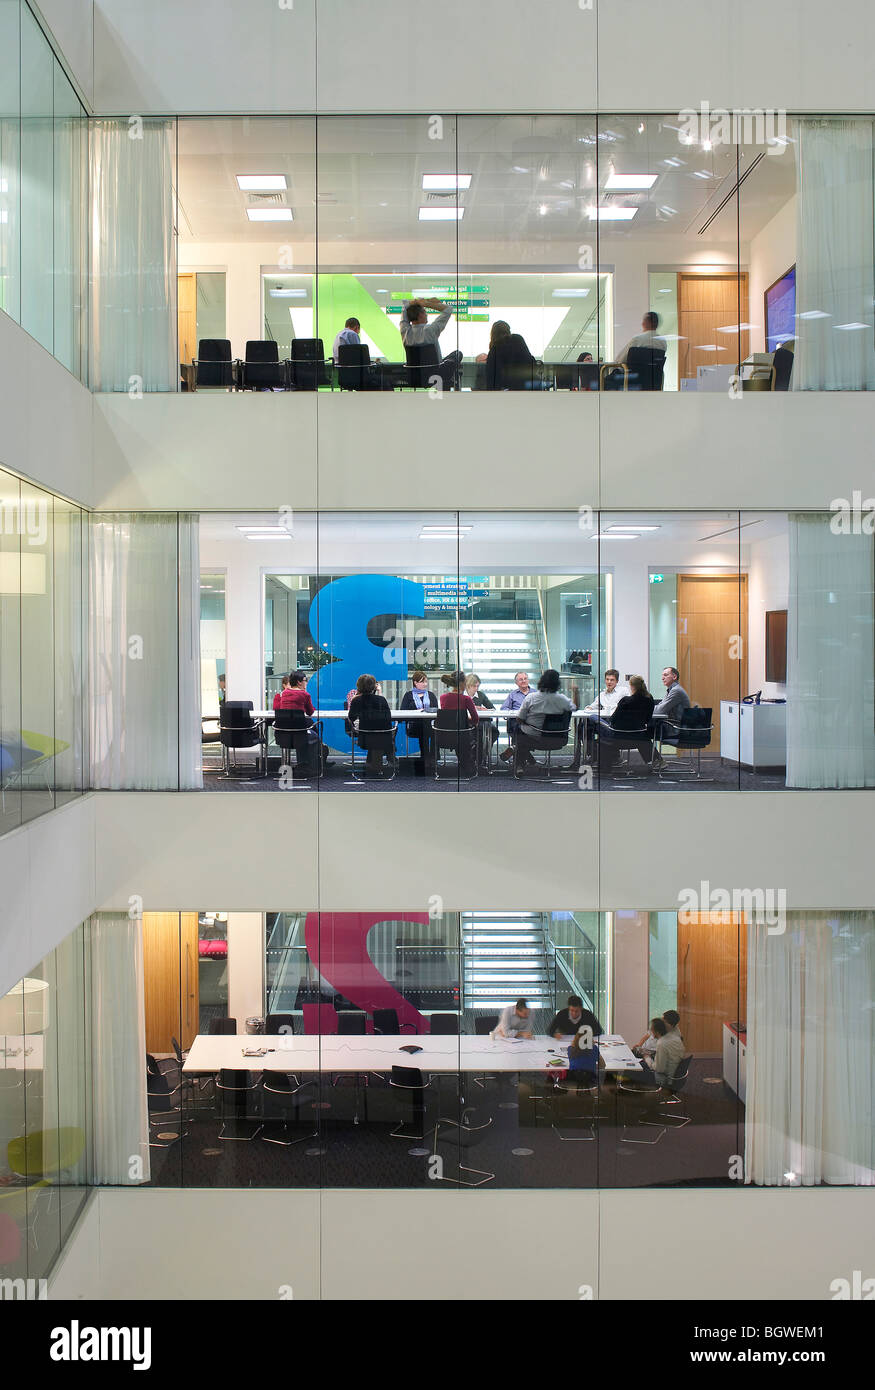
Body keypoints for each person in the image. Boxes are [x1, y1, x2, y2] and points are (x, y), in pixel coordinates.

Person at [514, 668, 575, 770]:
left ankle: (519, 765)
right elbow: (574, 708)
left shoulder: (531, 697)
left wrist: (526, 722)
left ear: (541, 681)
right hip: (560, 738)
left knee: (517, 730)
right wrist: (575, 692)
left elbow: (519, 719)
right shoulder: (562, 699)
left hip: (536, 738)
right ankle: (576, 764)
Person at [594, 673, 655, 772]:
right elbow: (648, 719)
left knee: (594, 719)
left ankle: (599, 761)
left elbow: (614, 720)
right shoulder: (649, 699)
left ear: (631, 686)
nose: (609, 682)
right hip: (638, 736)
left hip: (617, 737)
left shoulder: (626, 700)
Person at [399, 298, 462, 391]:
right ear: (420, 315)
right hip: (435, 376)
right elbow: (448, 309)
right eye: (425, 312)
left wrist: (418, 302)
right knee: (457, 353)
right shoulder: (430, 330)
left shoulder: (405, 332)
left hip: (414, 378)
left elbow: (405, 306)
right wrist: (427, 303)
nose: (426, 314)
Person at [347, 673, 394, 775]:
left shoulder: (357, 700)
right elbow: (388, 717)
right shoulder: (381, 699)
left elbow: (351, 717)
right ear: (374, 686)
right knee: (378, 736)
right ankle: (377, 764)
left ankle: (373, 766)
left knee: (373, 736)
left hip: (364, 734)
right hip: (383, 734)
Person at [438, 670, 478, 776]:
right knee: (471, 734)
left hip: (444, 735)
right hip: (462, 736)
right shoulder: (466, 699)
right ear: (463, 684)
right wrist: (466, 719)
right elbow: (475, 719)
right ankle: (469, 765)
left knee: (457, 736)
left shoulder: (443, 698)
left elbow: (448, 718)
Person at [651, 666, 691, 771]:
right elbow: (660, 707)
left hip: (678, 728)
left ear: (674, 676)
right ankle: (657, 760)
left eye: (665, 675)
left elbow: (660, 710)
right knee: (645, 731)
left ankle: (658, 761)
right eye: (662, 675)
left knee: (645, 732)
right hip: (673, 725)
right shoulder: (671, 689)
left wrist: (646, 709)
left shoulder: (676, 691)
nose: (662, 678)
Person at [400, 669, 437, 775]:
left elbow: (436, 710)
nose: (425, 684)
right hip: (413, 725)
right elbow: (403, 711)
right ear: (415, 683)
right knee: (424, 729)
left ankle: (427, 757)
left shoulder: (431, 695)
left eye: (426, 681)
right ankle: (428, 758)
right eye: (422, 681)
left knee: (429, 728)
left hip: (429, 725)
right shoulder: (408, 695)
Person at [634, 1017, 685, 1089]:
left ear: (657, 1031)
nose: (650, 1032)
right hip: (668, 1072)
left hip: (660, 1078)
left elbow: (657, 1068)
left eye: (652, 1029)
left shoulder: (662, 1044)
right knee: (637, 1065)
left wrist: (647, 1057)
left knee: (631, 1070)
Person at [499, 670, 533, 763]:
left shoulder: (536, 694)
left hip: (533, 723)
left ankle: (514, 748)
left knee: (520, 735)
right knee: (519, 730)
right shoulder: (512, 695)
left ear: (528, 680)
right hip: (516, 722)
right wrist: (512, 713)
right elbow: (503, 708)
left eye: (525, 679)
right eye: (520, 679)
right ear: (516, 683)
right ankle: (527, 760)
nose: (523, 681)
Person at [466, 673, 497, 767]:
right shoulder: (462, 695)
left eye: (477, 686)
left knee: (494, 732)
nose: (476, 688)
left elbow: (492, 708)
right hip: (466, 723)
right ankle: (477, 756)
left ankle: (480, 754)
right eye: (474, 686)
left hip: (480, 723)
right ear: (467, 686)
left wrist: (484, 709)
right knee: (479, 733)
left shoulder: (481, 695)